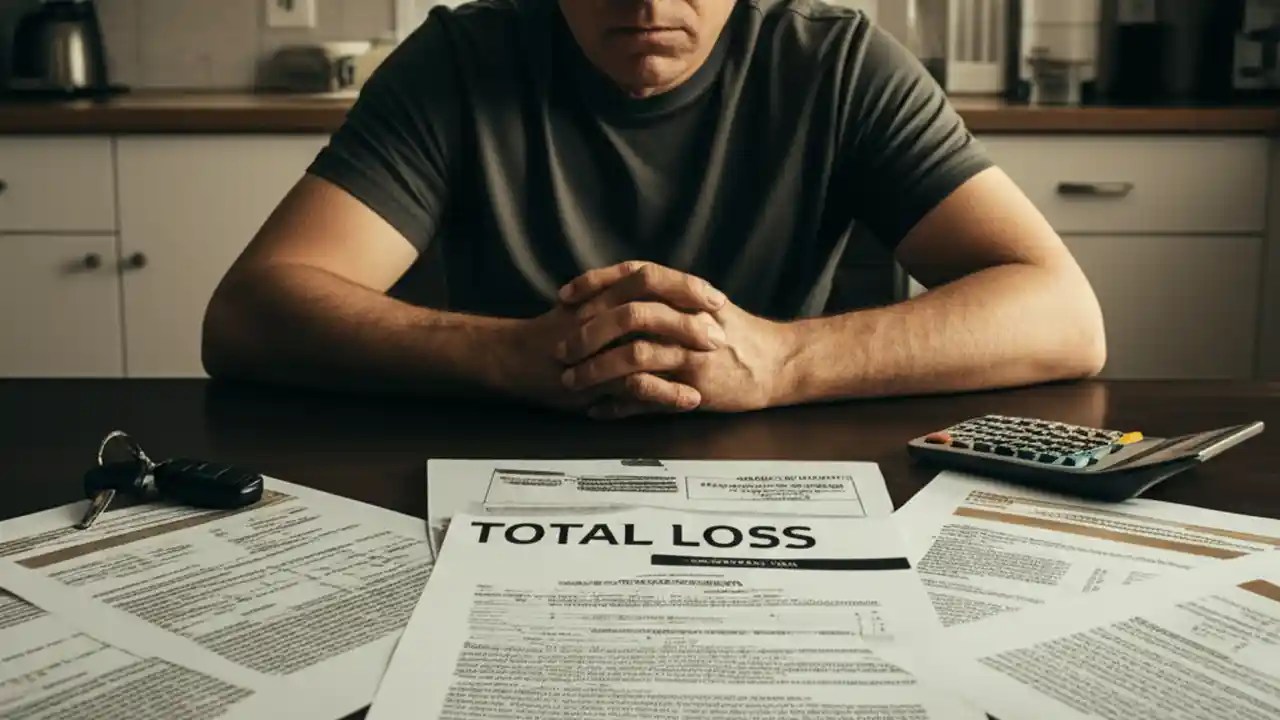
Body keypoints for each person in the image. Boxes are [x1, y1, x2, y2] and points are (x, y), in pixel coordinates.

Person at [203, 0, 1106, 420]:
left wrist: (784, 361)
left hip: (783, 490)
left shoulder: (837, 63)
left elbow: (1064, 315)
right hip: (491, 479)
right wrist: (510, 355)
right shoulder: (457, 60)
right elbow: (251, 312)